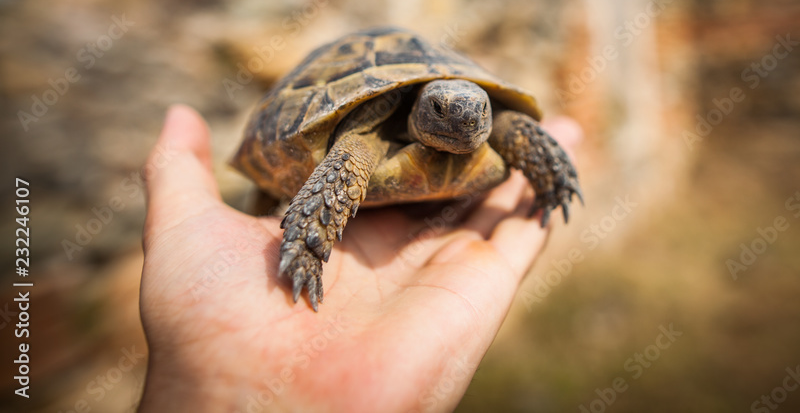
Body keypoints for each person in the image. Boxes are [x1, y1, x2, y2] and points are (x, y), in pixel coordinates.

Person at [137, 104, 581, 412]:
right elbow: (348, 155)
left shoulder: (496, 124)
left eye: (478, 113)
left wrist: (551, 171)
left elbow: (509, 126)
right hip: (352, 153)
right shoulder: (360, 143)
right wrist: (308, 243)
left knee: (517, 128)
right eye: (442, 112)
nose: (464, 121)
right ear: (420, 111)